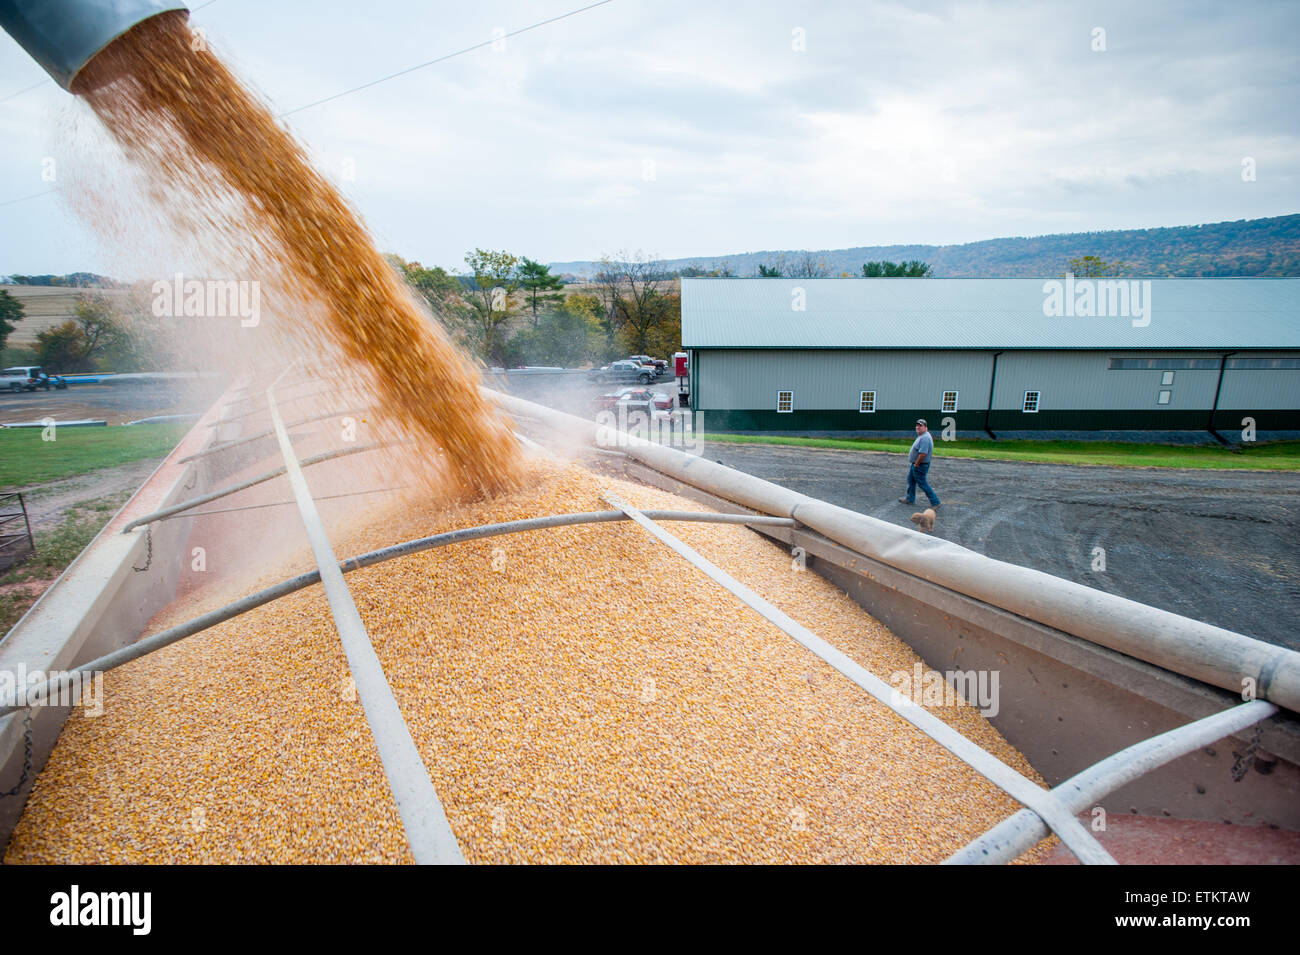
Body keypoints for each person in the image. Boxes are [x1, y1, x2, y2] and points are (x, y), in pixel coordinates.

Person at [899, 418, 941, 508]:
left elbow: (923, 454)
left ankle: (935, 502)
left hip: (920, 465)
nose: (918, 427)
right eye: (917, 425)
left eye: (920, 426)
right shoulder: (922, 436)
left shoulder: (925, 438)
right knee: (911, 480)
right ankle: (910, 499)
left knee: (922, 483)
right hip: (916, 464)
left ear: (925, 427)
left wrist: (917, 464)